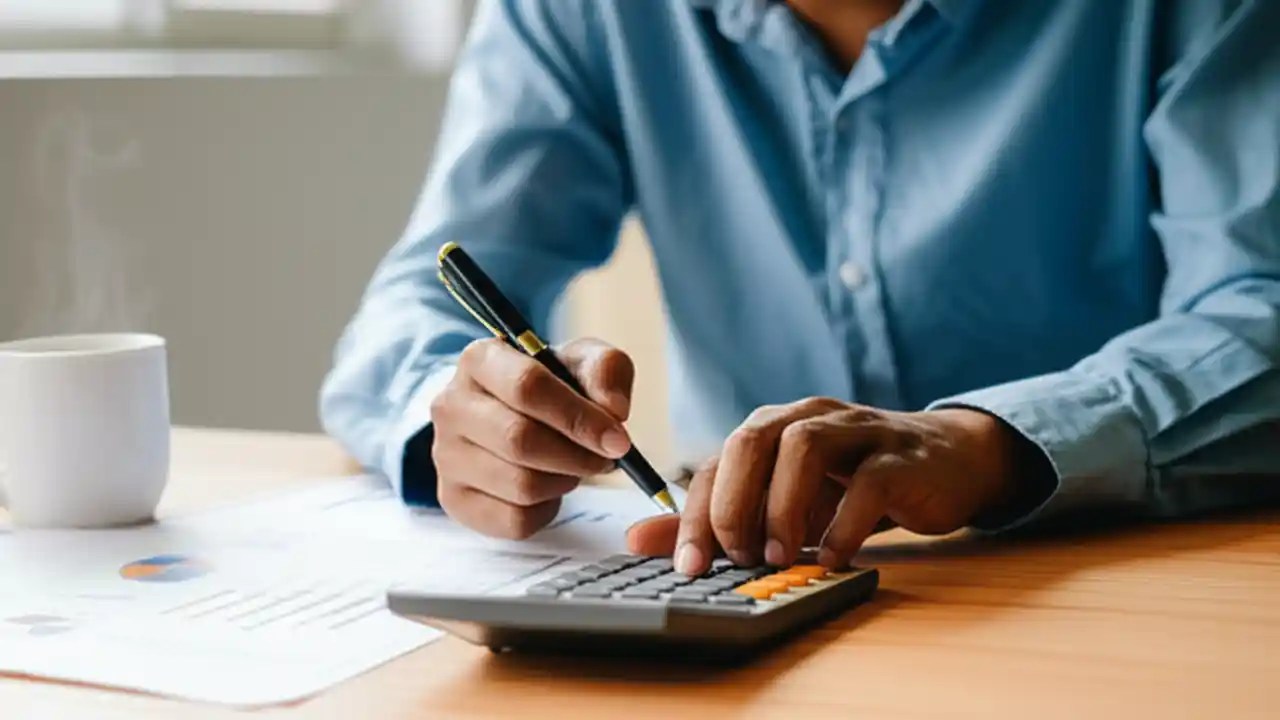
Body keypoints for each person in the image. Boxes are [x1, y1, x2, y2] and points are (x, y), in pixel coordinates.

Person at [321, 0, 1280, 576]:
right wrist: (460, 418)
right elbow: (415, 306)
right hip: (743, 581)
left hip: (1114, 576)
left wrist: (988, 445)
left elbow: (1261, 307)